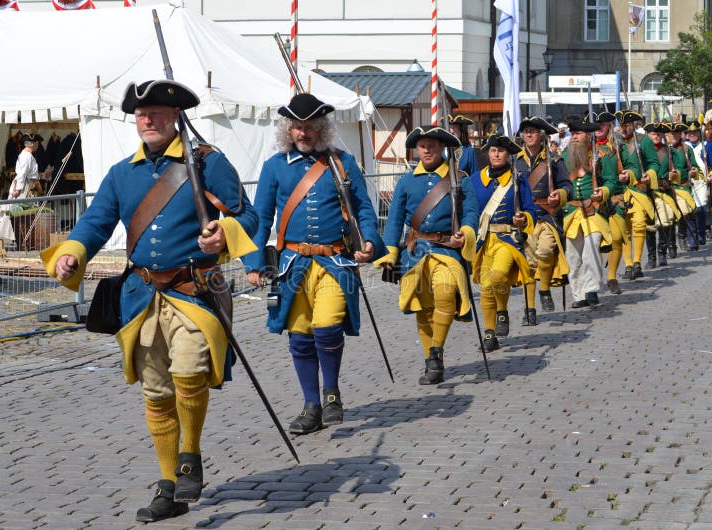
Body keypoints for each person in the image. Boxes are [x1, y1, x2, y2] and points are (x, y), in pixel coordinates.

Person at [40, 80, 258, 523]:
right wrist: (70, 253)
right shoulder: (123, 173)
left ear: (176, 116)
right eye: (141, 114)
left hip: (194, 292)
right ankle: (168, 487)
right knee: (157, 392)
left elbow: (248, 215)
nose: (147, 119)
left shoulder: (207, 164)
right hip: (141, 297)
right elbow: (95, 222)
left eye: (157, 112)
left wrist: (225, 234)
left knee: (190, 368)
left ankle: (189, 457)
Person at [243, 93, 385, 435]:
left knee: (328, 326)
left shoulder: (343, 163)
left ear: (321, 128)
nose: (302, 133)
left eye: (308, 126)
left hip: (335, 261)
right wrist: (252, 263)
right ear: (288, 131)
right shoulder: (274, 167)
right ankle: (311, 405)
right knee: (300, 337)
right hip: (291, 265)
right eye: (296, 127)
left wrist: (369, 241)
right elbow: (260, 220)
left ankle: (332, 391)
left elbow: (363, 209)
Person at [374, 125, 478, 385]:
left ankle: (436, 351)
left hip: (446, 249)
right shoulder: (407, 181)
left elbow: (472, 213)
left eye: (432, 144)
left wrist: (465, 232)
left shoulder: (459, 177)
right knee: (423, 308)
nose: (427, 149)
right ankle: (432, 360)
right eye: (422, 145)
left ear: (442, 147)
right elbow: (395, 220)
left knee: (445, 294)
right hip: (415, 252)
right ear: (417, 149)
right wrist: (388, 253)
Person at [470, 134, 536, 350]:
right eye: (492, 150)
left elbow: (530, 210)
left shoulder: (518, 179)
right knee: (487, 287)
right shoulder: (475, 179)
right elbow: (469, 212)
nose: (496, 154)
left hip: (508, 239)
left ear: (508, 154)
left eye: (500, 150)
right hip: (484, 240)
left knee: (498, 276)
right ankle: (490, 333)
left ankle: (502, 309)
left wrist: (523, 218)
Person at [515, 116, 571, 320]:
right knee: (528, 263)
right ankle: (529, 309)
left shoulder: (554, 160)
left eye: (533, 131)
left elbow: (567, 186)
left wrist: (560, 195)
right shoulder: (515, 160)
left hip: (547, 215)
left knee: (546, 251)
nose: (529, 134)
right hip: (524, 217)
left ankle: (544, 289)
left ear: (541, 135)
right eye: (526, 131)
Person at [562, 120, 612, 307]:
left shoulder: (601, 155)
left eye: (579, 133)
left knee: (591, 248)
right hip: (572, 212)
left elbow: (611, 181)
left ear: (588, 135)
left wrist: (603, 192)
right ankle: (579, 295)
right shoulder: (564, 156)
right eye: (572, 133)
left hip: (594, 210)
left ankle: (591, 288)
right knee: (573, 257)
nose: (574, 137)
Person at [592, 111, 630, 295]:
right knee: (596, 240)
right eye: (595, 124)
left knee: (616, 237)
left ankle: (612, 276)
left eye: (602, 124)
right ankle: (595, 277)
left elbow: (632, 166)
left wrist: (627, 174)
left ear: (608, 127)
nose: (599, 127)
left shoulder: (618, 147)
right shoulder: (585, 148)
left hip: (615, 198)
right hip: (593, 200)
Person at [617, 110, 654, 280]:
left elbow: (653, 162)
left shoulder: (643, 140)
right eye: (621, 124)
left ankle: (638, 262)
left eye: (626, 124)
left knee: (639, 224)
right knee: (624, 229)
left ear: (633, 125)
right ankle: (628, 264)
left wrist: (650, 174)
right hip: (620, 191)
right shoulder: (615, 143)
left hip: (638, 188)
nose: (624, 128)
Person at [640, 122, 680, 267]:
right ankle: (651, 257)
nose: (656, 136)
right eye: (653, 134)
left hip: (664, 190)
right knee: (649, 224)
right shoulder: (642, 152)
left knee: (664, 221)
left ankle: (662, 253)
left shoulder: (669, 151)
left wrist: (674, 174)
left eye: (658, 134)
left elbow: (679, 169)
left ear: (662, 135)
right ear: (647, 135)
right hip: (647, 190)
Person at [666, 122, 702, 251]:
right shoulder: (663, 149)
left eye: (675, 133)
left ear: (680, 134)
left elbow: (695, 166)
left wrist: (694, 171)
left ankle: (682, 236)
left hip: (683, 186)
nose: (673, 135)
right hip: (667, 187)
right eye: (670, 133)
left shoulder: (687, 149)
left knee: (685, 212)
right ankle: (671, 244)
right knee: (669, 216)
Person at [684, 121, 712, 244]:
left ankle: (701, 235)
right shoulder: (683, 146)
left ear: (699, 133)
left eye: (695, 132)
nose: (692, 135)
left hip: (701, 182)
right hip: (686, 182)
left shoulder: (707, 145)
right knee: (689, 210)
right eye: (690, 132)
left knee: (700, 209)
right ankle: (692, 237)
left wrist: (711, 175)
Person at [7, 133, 42, 199]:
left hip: (29, 185)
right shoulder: (27, 156)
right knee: (22, 207)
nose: (38, 145)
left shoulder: (27, 155)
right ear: (32, 144)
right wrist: (18, 190)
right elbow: (22, 173)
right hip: (25, 187)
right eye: (37, 143)